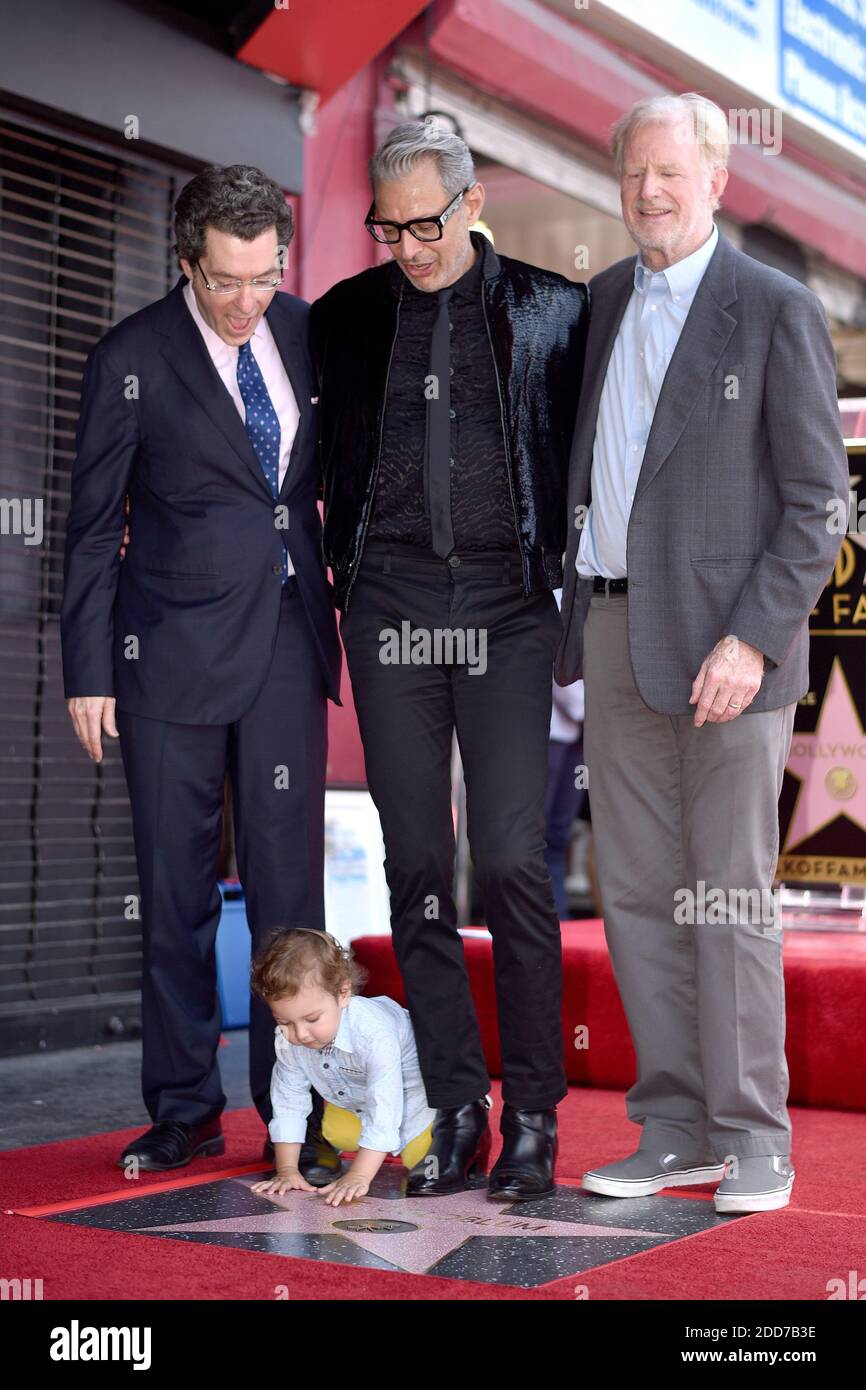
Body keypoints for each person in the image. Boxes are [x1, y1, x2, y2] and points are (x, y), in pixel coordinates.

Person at [555, 93, 849, 1214]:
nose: (650, 194)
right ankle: (672, 1126)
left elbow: (817, 504)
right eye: (634, 175)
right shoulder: (599, 304)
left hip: (731, 650)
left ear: (717, 181)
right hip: (617, 629)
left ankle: (753, 1136)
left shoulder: (772, 309)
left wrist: (751, 638)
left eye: (671, 175)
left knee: (725, 895)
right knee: (636, 893)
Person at [310, 121, 589, 1202]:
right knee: (417, 862)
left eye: (425, 223)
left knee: (513, 860)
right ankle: (457, 1103)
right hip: (390, 600)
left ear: (473, 202)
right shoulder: (340, 320)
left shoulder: (552, 312)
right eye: (389, 226)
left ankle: (533, 1114)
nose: (408, 246)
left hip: (509, 605)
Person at [61, 165, 342, 1176]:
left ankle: (294, 1112)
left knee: (289, 894)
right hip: (164, 655)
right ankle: (182, 1104)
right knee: (174, 892)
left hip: (283, 640)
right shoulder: (130, 356)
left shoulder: (310, 331)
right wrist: (88, 671)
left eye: (265, 275)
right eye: (225, 280)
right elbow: (91, 531)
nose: (247, 301)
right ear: (186, 262)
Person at [250, 928, 438, 1206]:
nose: (300, 1034)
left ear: (343, 993)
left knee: (419, 1159)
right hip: (354, 1100)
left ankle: (465, 1120)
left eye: (312, 1019)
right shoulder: (289, 1040)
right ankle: (364, 1142)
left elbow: (385, 1103)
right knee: (339, 1134)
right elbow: (288, 1099)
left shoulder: (373, 1032)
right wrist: (287, 1170)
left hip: (413, 1100)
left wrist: (359, 1175)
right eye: (285, 1022)